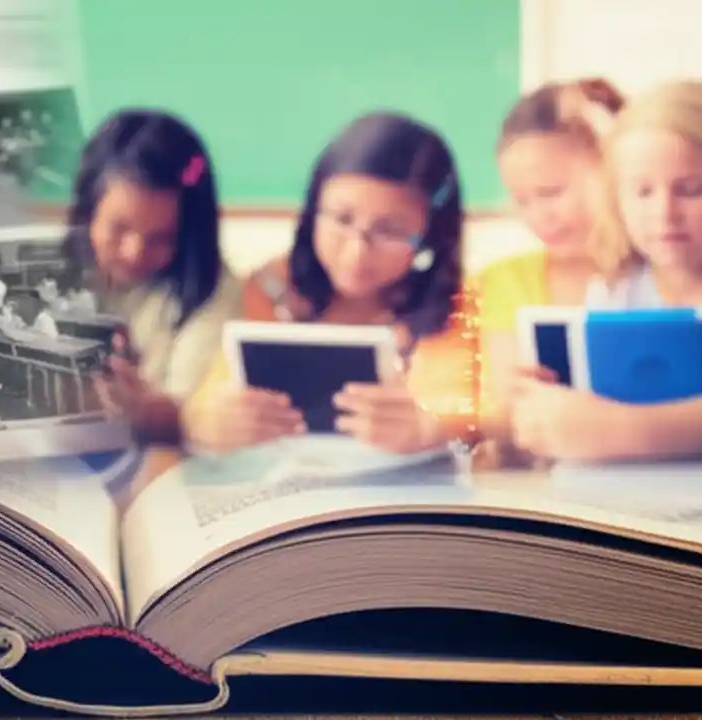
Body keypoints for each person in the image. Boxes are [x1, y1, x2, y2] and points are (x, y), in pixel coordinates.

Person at [181, 112, 470, 455]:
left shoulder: (456, 306)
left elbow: (470, 418)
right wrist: (209, 424)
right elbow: (202, 407)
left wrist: (431, 430)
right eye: (342, 219)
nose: (357, 251)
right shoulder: (270, 288)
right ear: (313, 208)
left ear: (432, 235)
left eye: (390, 231)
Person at [511, 80, 702, 462]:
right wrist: (549, 406)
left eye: (691, 189)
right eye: (642, 192)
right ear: (616, 199)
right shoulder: (615, 290)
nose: (665, 213)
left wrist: (623, 430)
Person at [62, 108, 243, 446]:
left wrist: (143, 410)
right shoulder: (51, 266)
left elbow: (193, 417)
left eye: (161, 238)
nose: (134, 252)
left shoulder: (213, 288)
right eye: (118, 228)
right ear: (87, 213)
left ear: (189, 236)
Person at [474, 78, 626, 445]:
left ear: (612, 169)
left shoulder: (664, 269)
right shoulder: (503, 281)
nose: (539, 216)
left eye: (551, 192)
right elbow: (508, 409)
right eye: (522, 200)